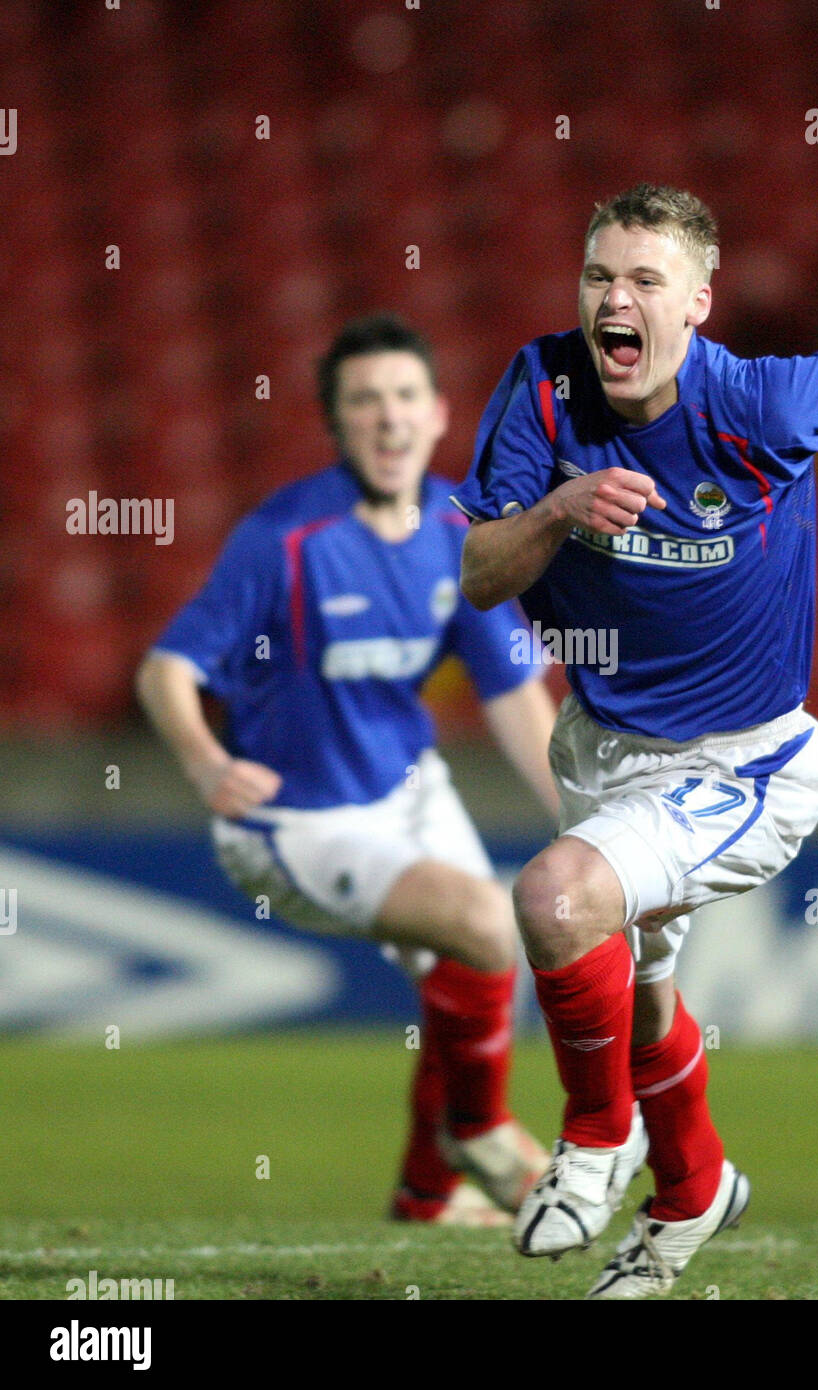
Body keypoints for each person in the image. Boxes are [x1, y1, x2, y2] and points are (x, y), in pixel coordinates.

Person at [453, 183, 818, 1295]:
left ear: (698, 303)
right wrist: (561, 510)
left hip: (742, 762)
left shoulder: (763, 405)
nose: (617, 300)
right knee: (639, 994)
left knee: (555, 898)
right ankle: (693, 1190)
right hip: (601, 747)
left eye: (646, 281)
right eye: (601, 275)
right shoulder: (544, 386)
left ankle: (599, 1140)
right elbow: (473, 577)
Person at [137, 314, 559, 1226]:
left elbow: (516, 695)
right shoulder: (283, 538)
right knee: (486, 922)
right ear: (337, 424)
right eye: (364, 401)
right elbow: (166, 670)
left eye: (405, 396)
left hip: (407, 788)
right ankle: (479, 1134)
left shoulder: (458, 528)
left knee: (483, 959)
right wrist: (206, 763)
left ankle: (424, 1196)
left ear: (440, 414)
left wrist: (585, 816)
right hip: (293, 821)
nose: (388, 418)